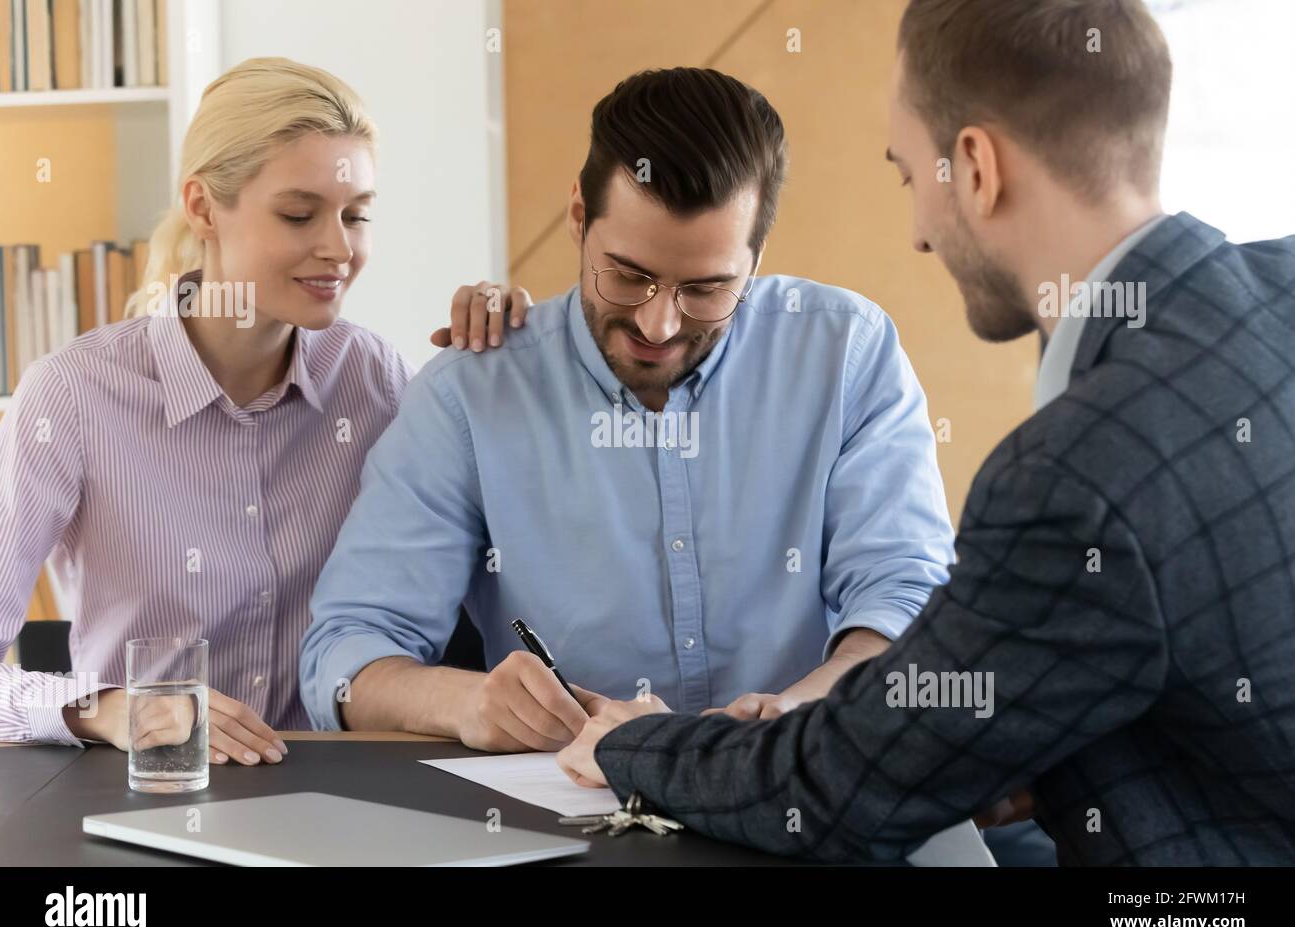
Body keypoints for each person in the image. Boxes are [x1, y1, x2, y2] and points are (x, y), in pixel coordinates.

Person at [558, 0, 1295, 866]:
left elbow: (842, 789)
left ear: (975, 168)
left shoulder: (1073, 476)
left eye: (911, 177)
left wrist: (638, 744)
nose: (916, 234)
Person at [300, 67, 956, 755]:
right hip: (572, 811)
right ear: (579, 217)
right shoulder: (470, 394)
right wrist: (470, 701)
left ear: (756, 257)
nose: (659, 325)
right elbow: (343, 661)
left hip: (807, 783)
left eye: (706, 288)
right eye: (629, 275)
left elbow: (905, 594)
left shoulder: (846, 352)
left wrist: (794, 715)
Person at [0, 57, 523, 760]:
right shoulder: (73, 396)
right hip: (150, 791)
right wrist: (103, 710)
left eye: (357, 216)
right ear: (204, 207)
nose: (339, 249)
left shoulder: (376, 381)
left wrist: (516, 364)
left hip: (338, 794)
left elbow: (489, 575)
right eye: (299, 214)